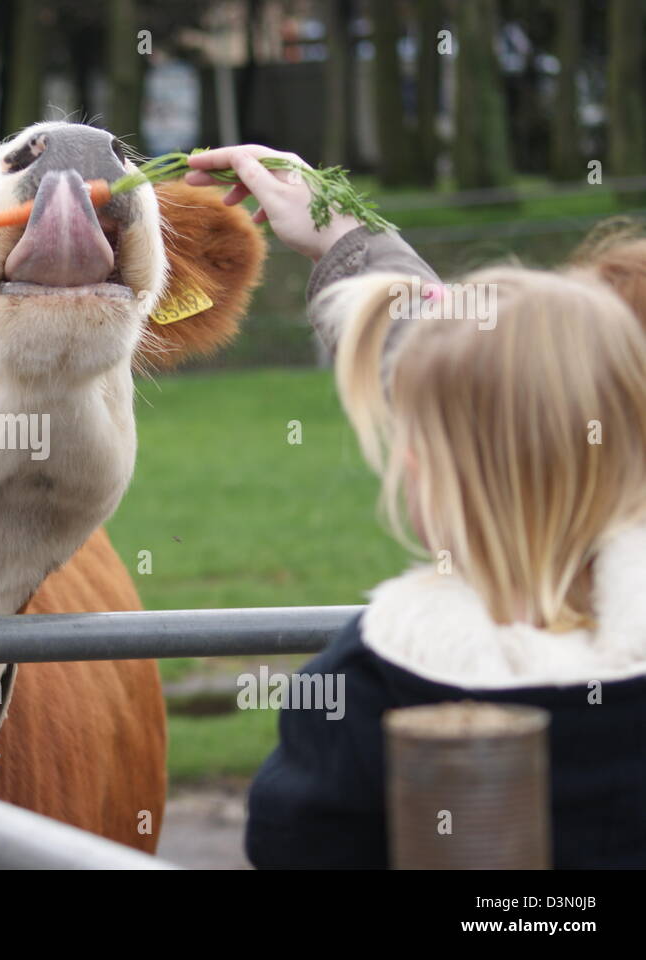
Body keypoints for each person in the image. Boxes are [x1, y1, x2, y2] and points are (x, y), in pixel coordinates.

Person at [186, 146, 646, 868]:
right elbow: (514, 396)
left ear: (418, 474)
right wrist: (345, 236)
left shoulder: (367, 685)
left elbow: (291, 845)